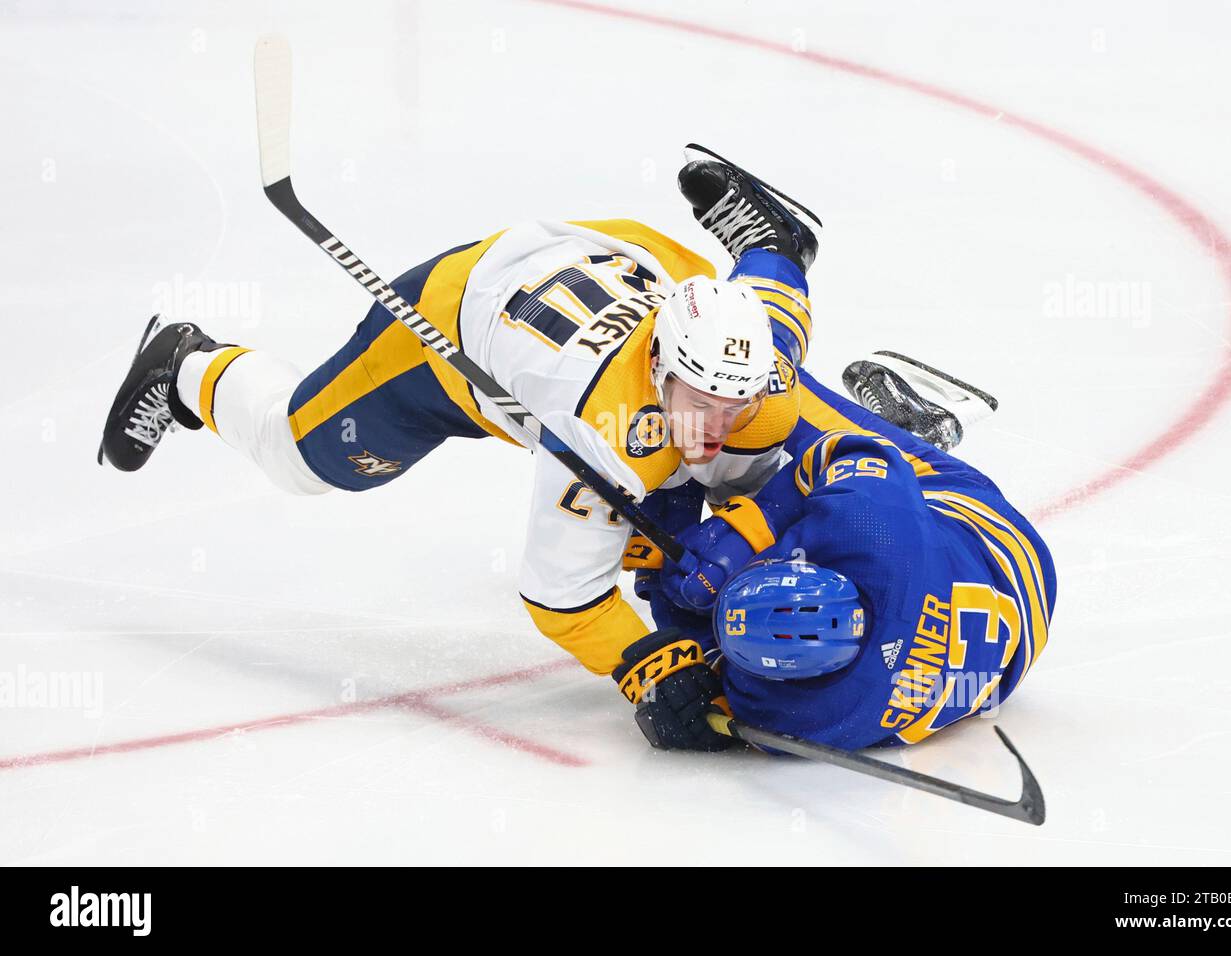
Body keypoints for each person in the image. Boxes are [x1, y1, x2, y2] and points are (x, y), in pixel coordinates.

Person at [99, 146, 822, 688]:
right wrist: (650, 672)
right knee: (301, 454)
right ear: (661, 367)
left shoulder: (751, 374)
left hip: (622, 256)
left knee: (755, 413)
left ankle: (773, 242)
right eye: (702, 400)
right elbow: (562, 598)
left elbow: (771, 334)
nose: (722, 419)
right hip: (454, 321)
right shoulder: (602, 435)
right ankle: (186, 364)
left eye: (739, 400)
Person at [614, 360, 1052, 753]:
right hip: (990, 536)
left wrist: (663, 582)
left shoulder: (784, 709)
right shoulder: (870, 534)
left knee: (685, 564)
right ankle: (782, 272)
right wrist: (750, 527)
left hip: (1019, 613)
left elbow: (698, 671)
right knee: (766, 390)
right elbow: (851, 450)